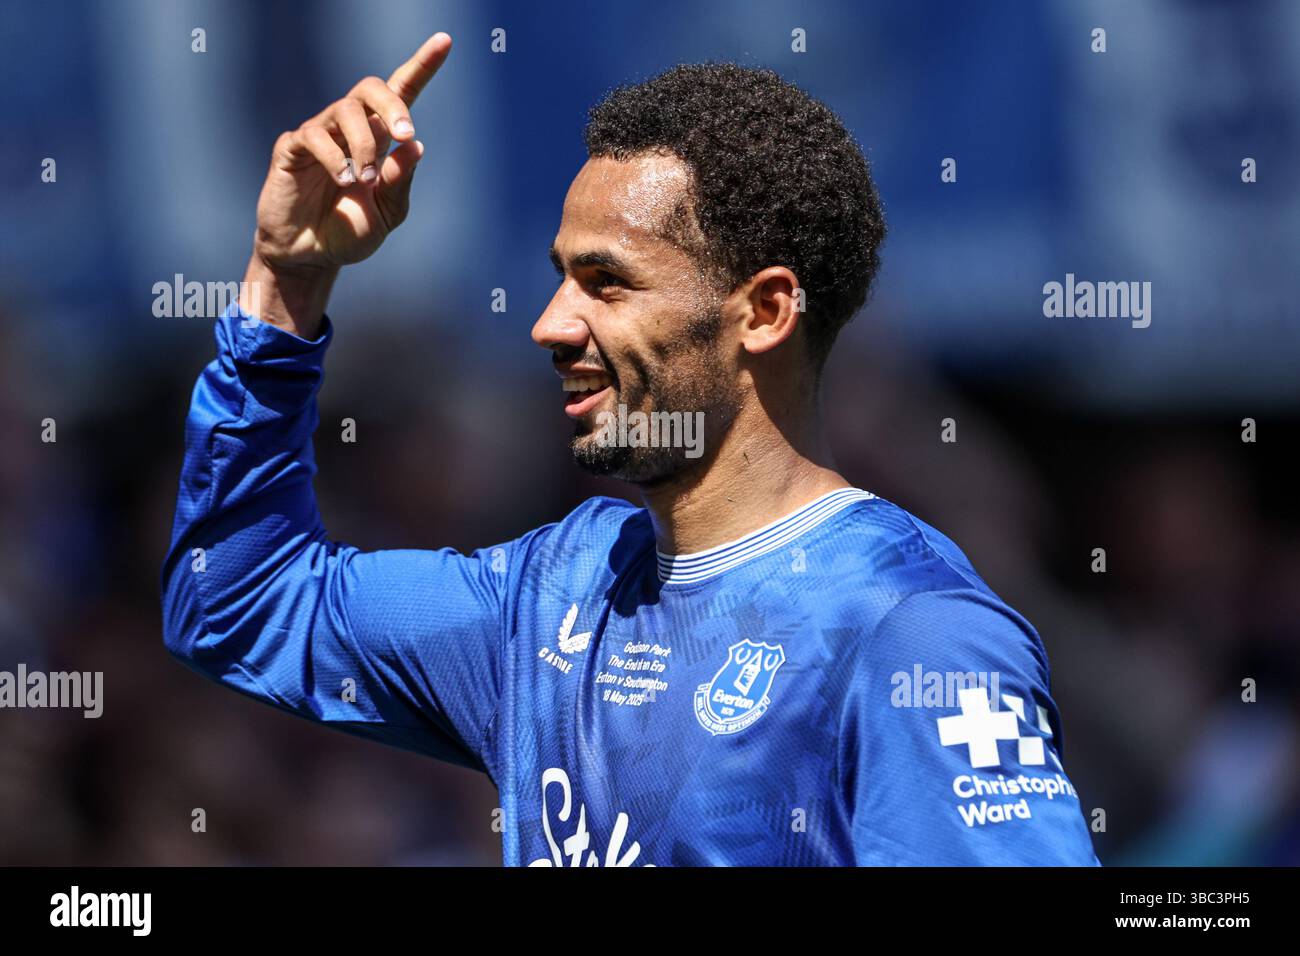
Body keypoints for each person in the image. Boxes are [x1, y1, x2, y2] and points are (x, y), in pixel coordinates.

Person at [162, 32, 1099, 866]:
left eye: (606, 284)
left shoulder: (907, 630)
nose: (548, 325)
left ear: (764, 312)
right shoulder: (547, 596)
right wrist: (286, 281)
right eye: (559, 277)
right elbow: (233, 601)